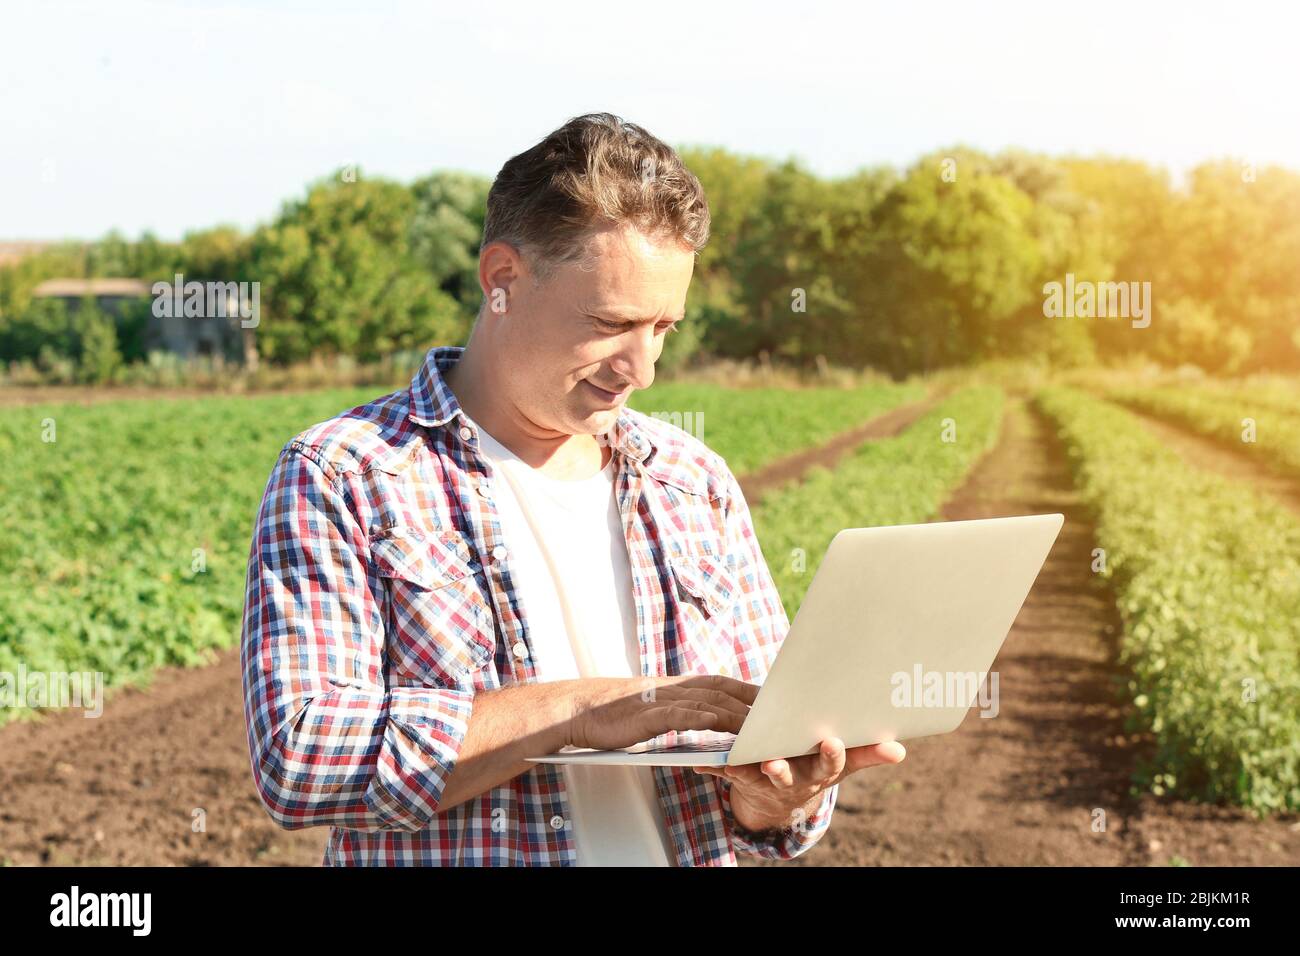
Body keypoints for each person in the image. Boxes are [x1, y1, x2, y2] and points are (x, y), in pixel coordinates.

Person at [239, 112, 905, 866]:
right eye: (611, 321)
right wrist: (580, 711)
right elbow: (302, 761)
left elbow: (772, 783)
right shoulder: (346, 475)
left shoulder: (692, 482)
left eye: (663, 328)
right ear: (502, 280)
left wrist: (775, 799)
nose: (641, 368)